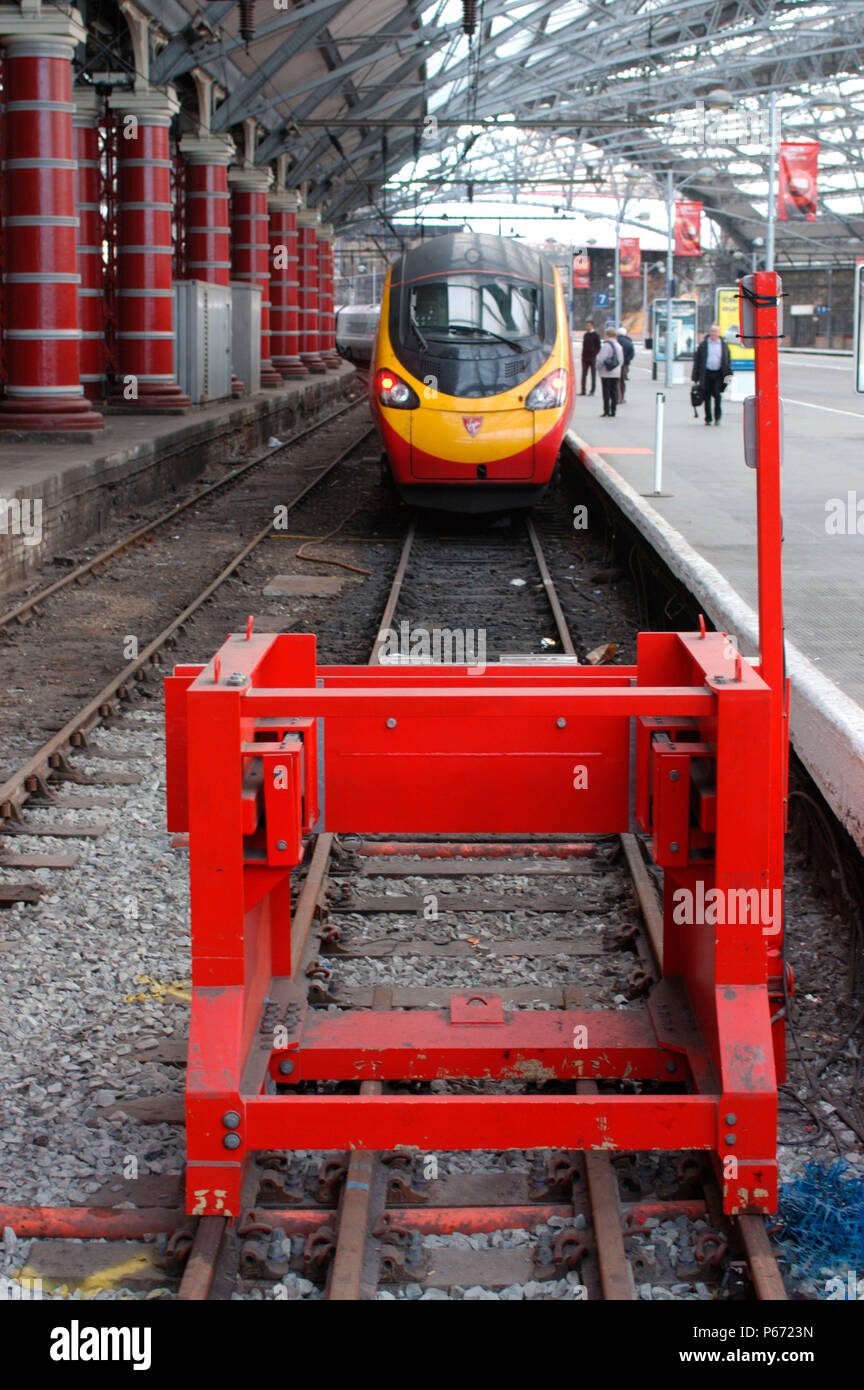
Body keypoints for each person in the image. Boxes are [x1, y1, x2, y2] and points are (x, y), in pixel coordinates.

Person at [692, 323, 732, 425]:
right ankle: (708, 418)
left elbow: (728, 361)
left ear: (719, 333)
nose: (713, 333)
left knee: (717, 396)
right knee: (706, 397)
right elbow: (698, 361)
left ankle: (717, 417)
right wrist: (695, 376)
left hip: (719, 374)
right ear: (710, 332)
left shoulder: (723, 345)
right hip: (706, 374)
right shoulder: (704, 345)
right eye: (712, 331)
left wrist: (729, 377)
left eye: (716, 331)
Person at [596, 328, 624, 418]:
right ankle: (614, 410)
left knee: (606, 391)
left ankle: (606, 410)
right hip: (616, 372)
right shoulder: (619, 346)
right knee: (614, 391)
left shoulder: (606, 345)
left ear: (607, 335)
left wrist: (598, 367)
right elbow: (621, 361)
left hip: (606, 372)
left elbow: (601, 359)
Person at [580, 320, 601, 395]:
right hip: (584, 357)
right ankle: (583, 390)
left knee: (593, 375)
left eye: (589, 325)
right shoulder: (586, 335)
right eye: (587, 325)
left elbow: (598, 347)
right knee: (584, 374)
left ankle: (592, 390)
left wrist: (594, 354)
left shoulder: (596, 335)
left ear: (592, 326)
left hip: (592, 357)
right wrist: (583, 355)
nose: (587, 327)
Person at [617, 325, 635, 402]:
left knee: (616, 381)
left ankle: (618, 397)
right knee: (622, 381)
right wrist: (627, 361)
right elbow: (632, 354)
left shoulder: (616, 341)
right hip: (625, 364)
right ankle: (622, 397)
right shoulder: (629, 342)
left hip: (616, 364)